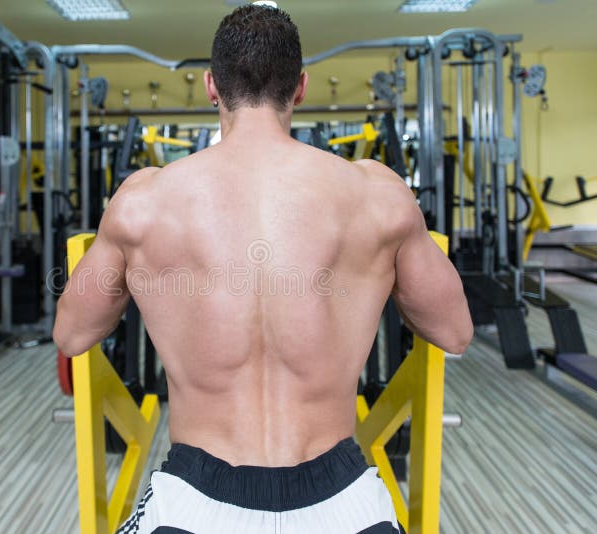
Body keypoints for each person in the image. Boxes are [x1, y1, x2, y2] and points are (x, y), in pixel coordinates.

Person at [54, 4, 473, 533]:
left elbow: (71, 334)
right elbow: (454, 332)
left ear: (211, 86)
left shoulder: (145, 201)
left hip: (193, 503)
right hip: (344, 501)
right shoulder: (376, 194)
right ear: (299, 88)